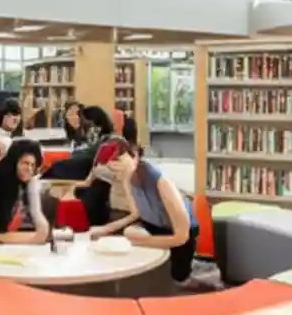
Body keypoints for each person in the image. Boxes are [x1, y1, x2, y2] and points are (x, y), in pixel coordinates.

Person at [82, 138, 201, 284]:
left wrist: (141, 242)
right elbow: (135, 214)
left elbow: (182, 236)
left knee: (173, 279)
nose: (117, 174)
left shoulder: (161, 182)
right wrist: (105, 229)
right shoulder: (128, 178)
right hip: (154, 225)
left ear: (135, 156)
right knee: (128, 235)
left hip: (181, 235)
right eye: (112, 171)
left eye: (119, 165)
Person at [44, 105, 115, 180]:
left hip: (87, 169)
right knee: (55, 167)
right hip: (85, 166)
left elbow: (91, 153)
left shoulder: (105, 139)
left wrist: (76, 153)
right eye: (69, 114)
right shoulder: (99, 137)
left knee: (57, 166)